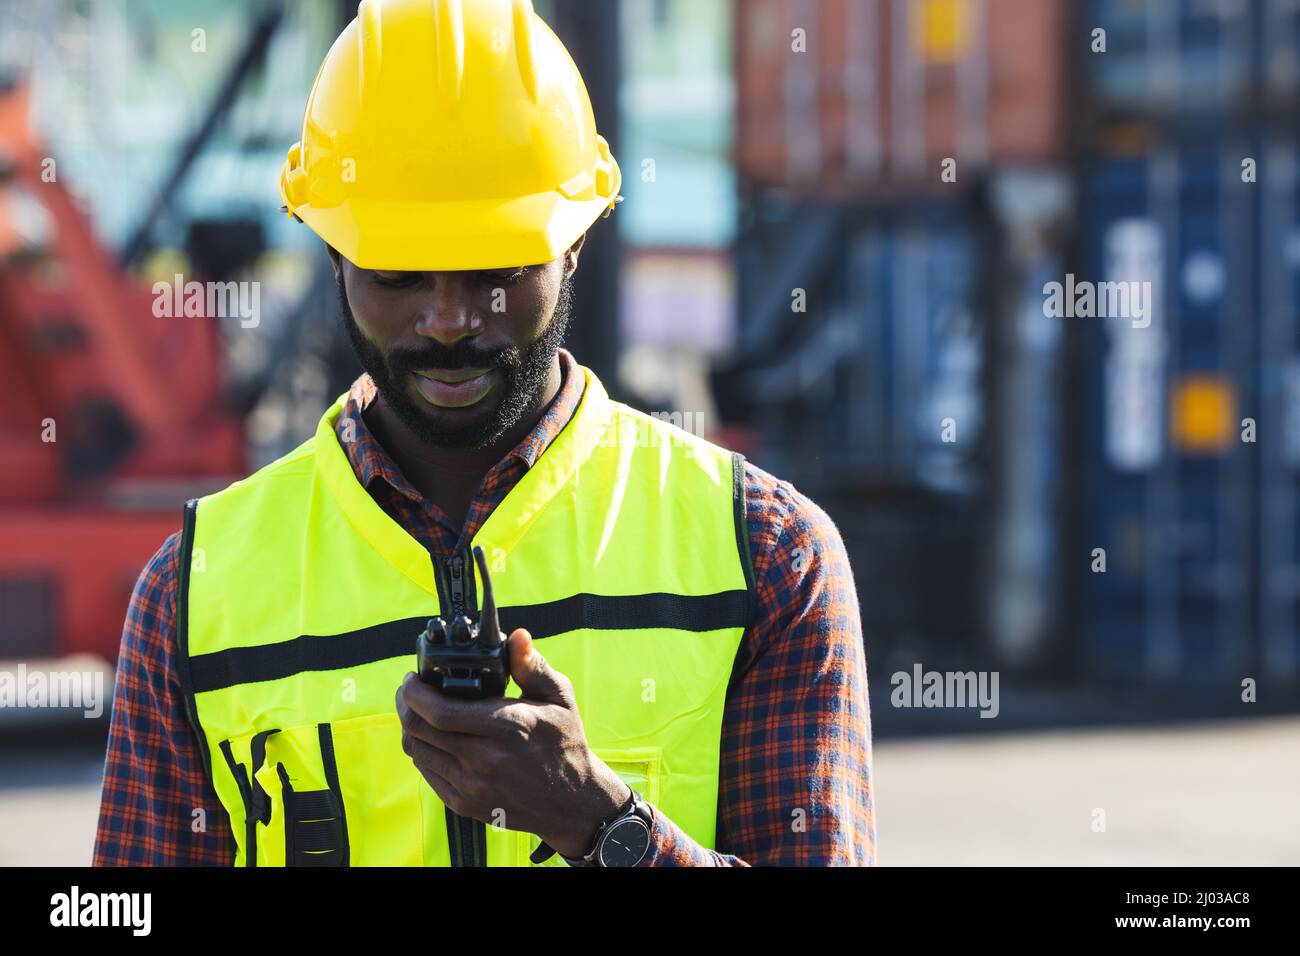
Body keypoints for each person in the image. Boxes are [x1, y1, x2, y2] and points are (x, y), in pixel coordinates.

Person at [93, 0, 874, 867]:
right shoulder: (196, 598)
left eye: (496, 269)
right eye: (398, 273)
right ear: (331, 251)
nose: (450, 320)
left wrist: (599, 823)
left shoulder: (764, 559)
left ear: (575, 243)